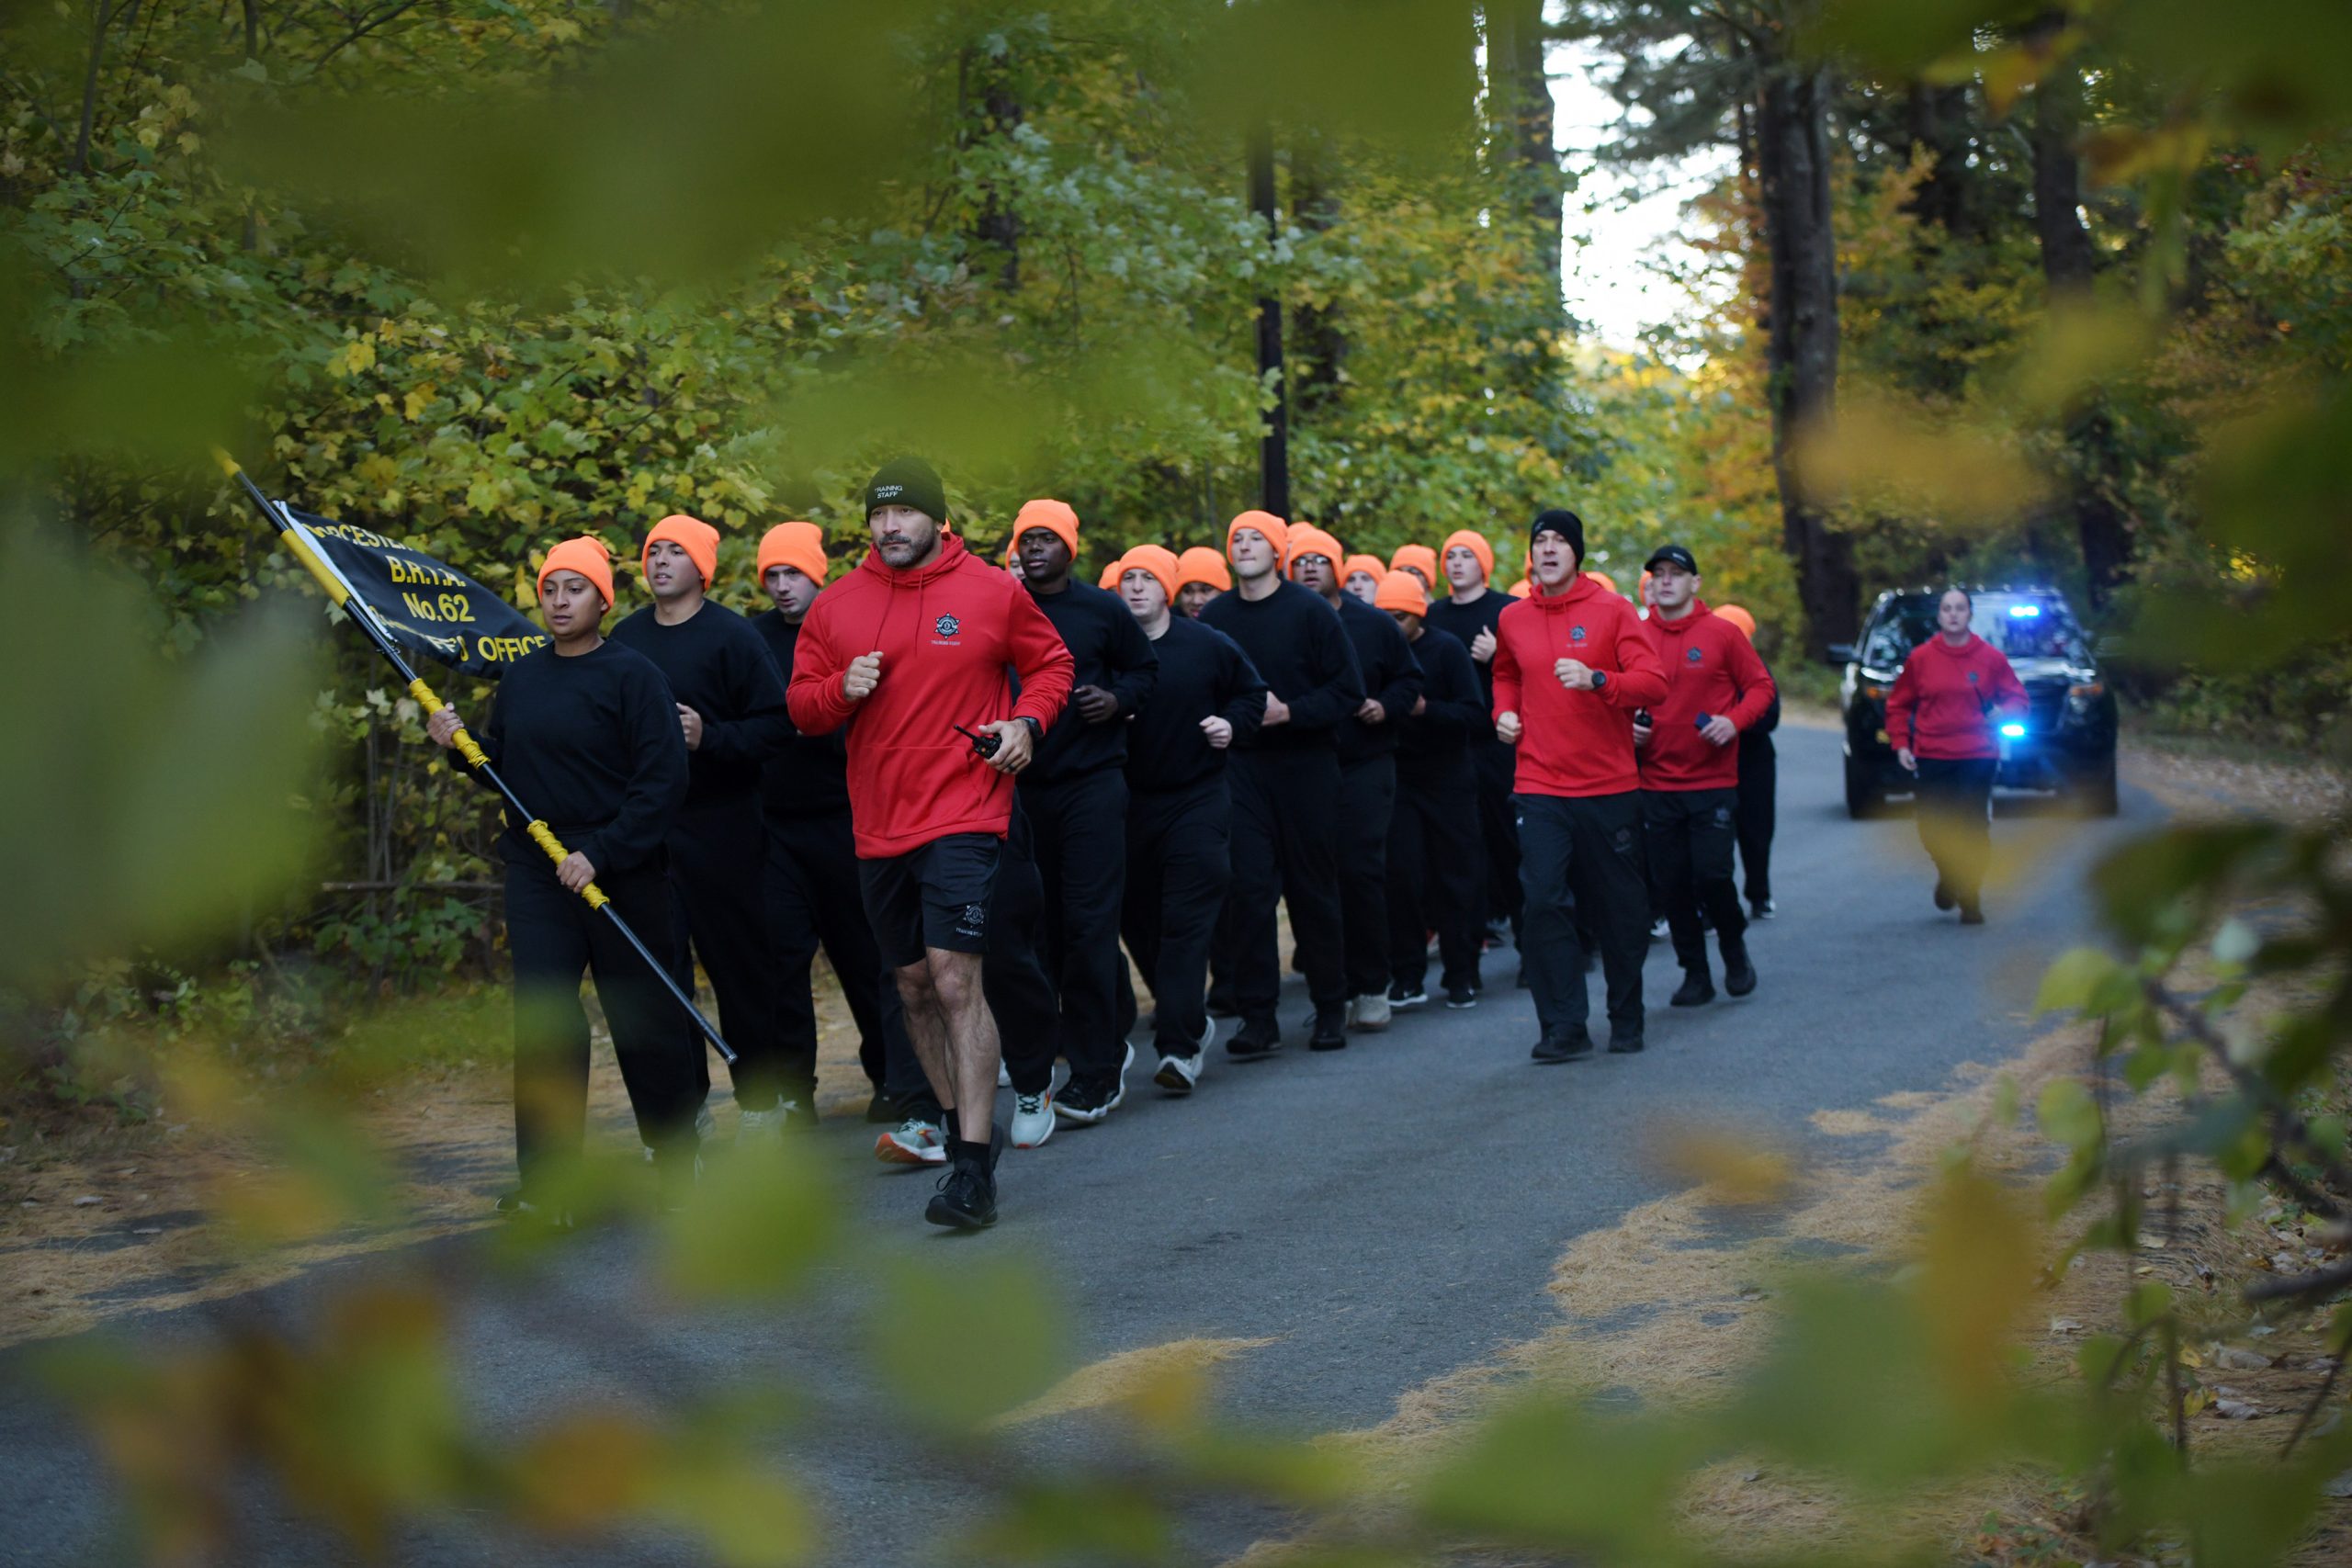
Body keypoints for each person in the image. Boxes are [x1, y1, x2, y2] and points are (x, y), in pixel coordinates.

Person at [786, 457, 1074, 1229]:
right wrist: (839, 689)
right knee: (912, 985)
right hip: (880, 821)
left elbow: (1052, 664)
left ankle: (973, 1170)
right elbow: (802, 706)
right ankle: (958, 1130)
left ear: (936, 518)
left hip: (967, 809)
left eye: (905, 513)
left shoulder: (991, 590)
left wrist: (1026, 723)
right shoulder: (836, 605)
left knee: (953, 979)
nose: (890, 527)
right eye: (879, 515)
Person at [426, 537, 702, 1220]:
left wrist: (602, 852)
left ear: (603, 601)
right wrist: (461, 747)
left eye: (575, 589)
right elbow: (508, 770)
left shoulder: (633, 676)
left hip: (620, 868)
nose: (558, 601)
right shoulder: (522, 676)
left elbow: (662, 781)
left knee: (641, 1015)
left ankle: (675, 1155)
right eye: (550, 589)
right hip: (538, 867)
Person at [608, 514, 805, 1134]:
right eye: (654, 551)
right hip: (649, 833)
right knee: (663, 976)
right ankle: (685, 1111)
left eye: (676, 552)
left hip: (725, 827)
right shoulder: (626, 638)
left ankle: (760, 1104)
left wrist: (708, 736)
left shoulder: (733, 637)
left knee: (741, 969)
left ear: (702, 567)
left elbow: (777, 726)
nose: (661, 561)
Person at [749, 522, 910, 1131]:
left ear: (817, 575)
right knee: (782, 959)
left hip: (848, 816)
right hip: (776, 827)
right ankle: (795, 1092)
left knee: (864, 953)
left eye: (793, 573)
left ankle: (890, 1077)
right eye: (772, 574)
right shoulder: (751, 639)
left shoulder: (847, 624)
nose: (782, 585)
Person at [1493, 510, 1668, 1062]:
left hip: (1607, 786)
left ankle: (1626, 1016)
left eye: (1559, 541)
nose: (1548, 549)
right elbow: (1506, 673)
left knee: (1619, 909)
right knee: (1543, 901)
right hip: (1539, 784)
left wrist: (1599, 680)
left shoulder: (1612, 610)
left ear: (1577, 553)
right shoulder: (1513, 617)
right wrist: (1503, 713)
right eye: (1540, 540)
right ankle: (1564, 1027)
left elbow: (1654, 684)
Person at [1011, 499, 1160, 1127]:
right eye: (1027, 539)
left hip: (1093, 784)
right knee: (1039, 929)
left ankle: (1097, 1069)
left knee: (1089, 925)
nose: (1035, 549)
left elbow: (1146, 669)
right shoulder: (1000, 607)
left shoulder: (1103, 610)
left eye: (1048, 538)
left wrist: (1118, 698)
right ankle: (1065, 1047)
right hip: (1021, 788)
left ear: (1070, 548)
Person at [1199, 511, 1364, 1055]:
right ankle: (1258, 1018)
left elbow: (1347, 691)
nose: (1245, 546)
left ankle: (1330, 1006)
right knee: (1248, 892)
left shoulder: (1311, 610)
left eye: (1257, 539)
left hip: (1306, 766)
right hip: (1242, 769)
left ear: (1277, 552)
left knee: (1312, 889)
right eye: (1237, 538)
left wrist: (1289, 712)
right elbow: (1203, 686)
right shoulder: (1217, 615)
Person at [1114, 545, 1267, 1091]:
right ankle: (1189, 1018)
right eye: (1128, 578)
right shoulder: (1106, 649)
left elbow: (1252, 696)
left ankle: (1178, 1048)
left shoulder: (1207, 644)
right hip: (1125, 804)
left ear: (1169, 589)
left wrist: (1231, 724)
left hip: (1196, 799)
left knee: (1184, 922)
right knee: (1138, 921)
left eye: (1148, 578)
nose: (1136, 587)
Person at [1289, 525, 1423, 1032]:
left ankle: (1371, 985)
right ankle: (1333, 989)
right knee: (1312, 880)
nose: (1310, 568)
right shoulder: (1284, 621)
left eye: (1320, 560)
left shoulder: (1374, 623)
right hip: (1303, 766)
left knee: (1359, 871)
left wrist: (1385, 706)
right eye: (1301, 561)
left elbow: (1410, 679)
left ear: (1338, 568)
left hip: (1365, 763)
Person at [1632, 546, 1775, 1007]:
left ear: (1695, 583)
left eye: (1676, 573)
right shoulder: (1634, 635)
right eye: (1658, 573)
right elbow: (1617, 693)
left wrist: (1734, 721)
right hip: (1656, 783)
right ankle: (1695, 972)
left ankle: (1733, 949)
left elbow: (1761, 687)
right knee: (1672, 884)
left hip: (1712, 781)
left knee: (1712, 876)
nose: (1666, 580)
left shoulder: (1722, 633)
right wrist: (1627, 727)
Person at [1883, 586, 2027, 925]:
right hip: (1933, 754)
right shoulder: (1921, 658)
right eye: (1947, 608)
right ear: (1939, 616)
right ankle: (1949, 876)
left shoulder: (1990, 658)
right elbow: (1898, 704)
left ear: (1969, 614)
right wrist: (1901, 744)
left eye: (1960, 608)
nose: (1953, 614)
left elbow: (2018, 700)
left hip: (1978, 753)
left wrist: (2004, 713)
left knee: (1972, 824)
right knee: (1932, 827)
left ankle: (1971, 894)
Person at [1375, 570, 1485, 1010]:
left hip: (1448, 777)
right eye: (1384, 617)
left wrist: (1426, 710)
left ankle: (1462, 973)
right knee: (1401, 876)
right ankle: (1407, 975)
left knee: (1454, 876)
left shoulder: (1446, 649)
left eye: (1399, 617)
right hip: (1398, 777)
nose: (1392, 626)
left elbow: (1474, 715)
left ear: (1418, 615)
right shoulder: (1375, 650)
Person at [1423, 529, 1519, 951]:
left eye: (1467, 555)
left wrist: (1499, 654)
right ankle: (1467, 953)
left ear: (1484, 563)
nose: (1457, 562)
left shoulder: (1508, 611)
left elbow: (1535, 671)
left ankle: (1532, 948)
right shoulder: (1432, 616)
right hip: (1447, 747)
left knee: (1510, 845)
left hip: (1499, 744)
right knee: (1460, 852)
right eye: (1451, 555)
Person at [1713, 604, 1780, 920]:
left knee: (1757, 832)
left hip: (1753, 762)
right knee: (1713, 837)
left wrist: (1733, 722)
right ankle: (1712, 904)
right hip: (1711, 762)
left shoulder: (1757, 670)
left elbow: (1770, 717)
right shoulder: (1702, 667)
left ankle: (1759, 893)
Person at [1175, 547, 1229, 617]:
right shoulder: (1166, 621)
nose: (1196, 601)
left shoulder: (1239, 620)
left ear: (1223, 592)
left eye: (1205, 590)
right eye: (1187, 591)